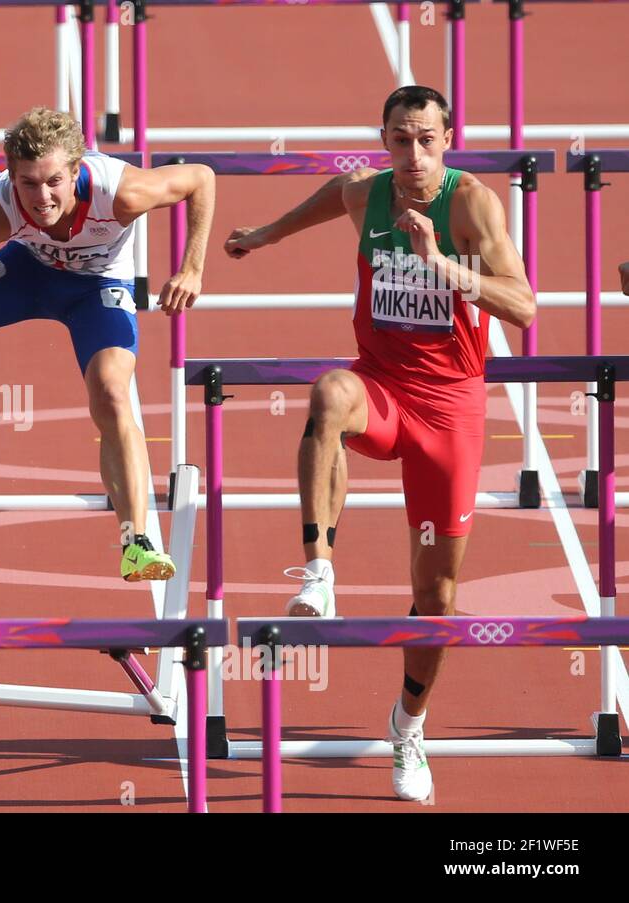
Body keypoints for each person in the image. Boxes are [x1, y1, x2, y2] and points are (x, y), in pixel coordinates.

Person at [224, 86, 536, 801]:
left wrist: (444, 265)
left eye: (427, 139)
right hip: (383, 390)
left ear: (449, 138)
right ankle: (318, 572)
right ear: (384, 140)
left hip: (449, 409)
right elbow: (326, 201)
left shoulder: (471, 204)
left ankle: (408, 724)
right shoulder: (362, 193)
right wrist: (263, 236)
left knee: (436, 595)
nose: (414, 154)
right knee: (330, 392)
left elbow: (523, 306)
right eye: (401, 139)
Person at [0, 107, 214, 581]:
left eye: (54, 181)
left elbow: (201, 178)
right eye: (28, 184)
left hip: (95, 289)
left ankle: (136, 540)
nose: (42, 198)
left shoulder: (122, 192)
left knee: (113, 392)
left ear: (77, 170)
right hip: (26, 273)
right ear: (11, 177)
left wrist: (192, 267)